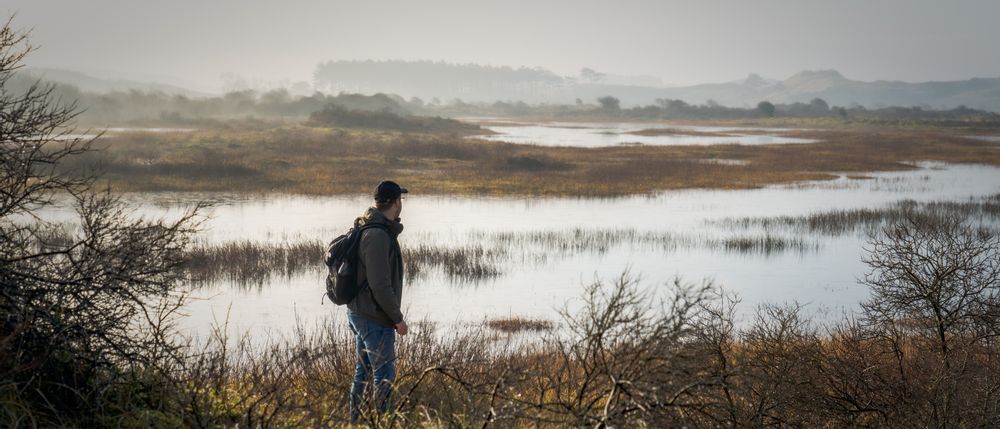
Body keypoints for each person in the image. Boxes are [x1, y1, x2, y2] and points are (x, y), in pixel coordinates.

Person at [347, 180, 408, 423]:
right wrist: (398, 319)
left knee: (362, 373)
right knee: (384, 376)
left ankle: (355, 422)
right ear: (395, 202)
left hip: (362, 313)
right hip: (374, 318)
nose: (402, 204)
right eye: (400, 199)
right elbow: (380, 285)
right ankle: (383, 422)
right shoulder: (378, 235)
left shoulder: (372, 227)